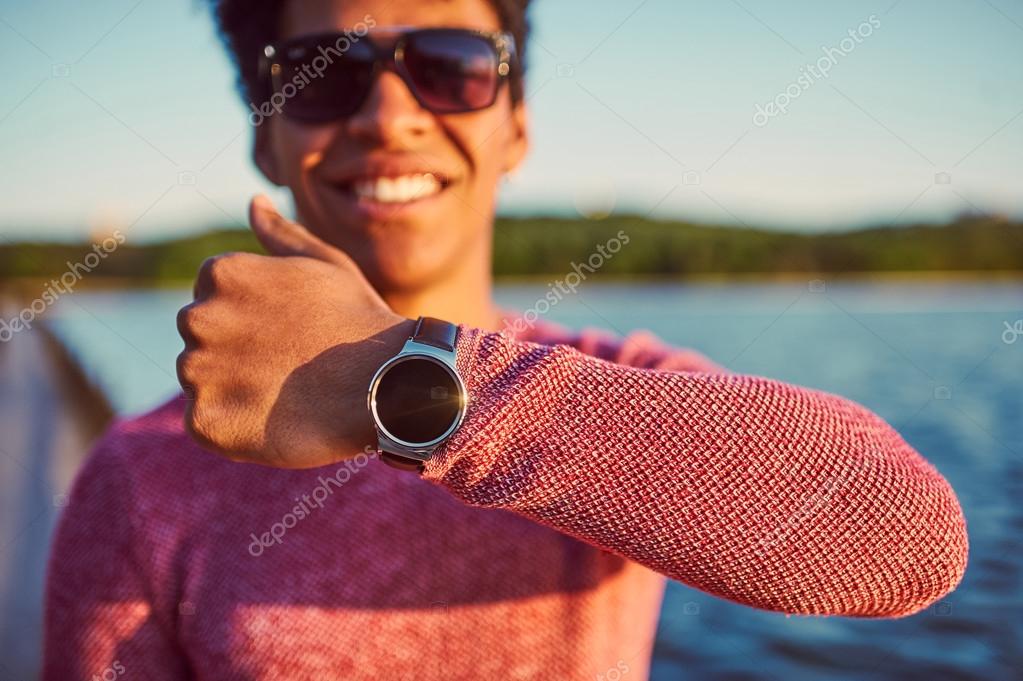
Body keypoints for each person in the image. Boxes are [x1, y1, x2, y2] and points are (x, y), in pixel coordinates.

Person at [43, 0, 968, 678]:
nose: (389, 114)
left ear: (515, 124)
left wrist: (394, 377)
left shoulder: (612, 386)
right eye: (325, 71)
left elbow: (908, 539)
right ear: (267, 140)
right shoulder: (143, 472)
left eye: (449, 65)